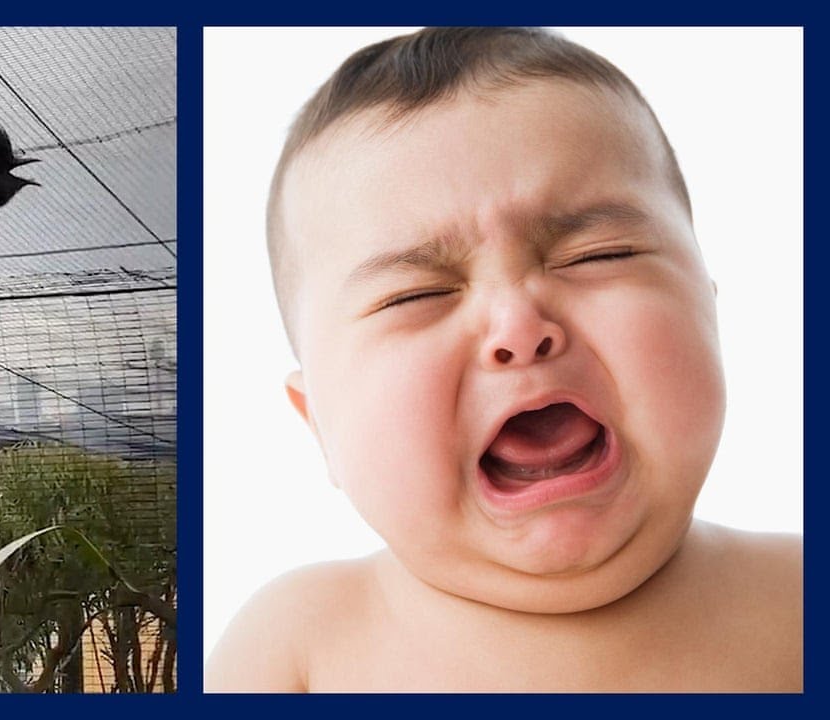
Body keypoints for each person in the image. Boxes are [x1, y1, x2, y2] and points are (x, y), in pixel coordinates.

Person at [204, 26, 802, 692]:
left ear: (710, 318)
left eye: (598, 254)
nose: (518, 327)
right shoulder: (298, 646)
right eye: (417, 294)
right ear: (319, 426)